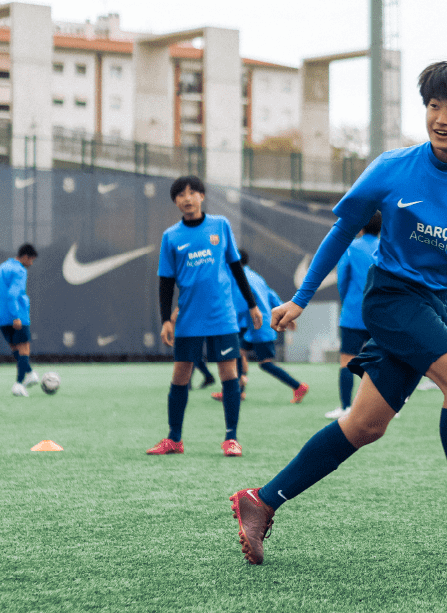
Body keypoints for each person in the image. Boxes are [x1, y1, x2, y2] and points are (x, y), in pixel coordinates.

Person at [230, 59, 447, 566]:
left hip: (434, 304)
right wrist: (301, 298)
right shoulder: (391, 167)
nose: (441, 117)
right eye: (433, 105)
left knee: (365, 425)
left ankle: (260, 501)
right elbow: (341, 232)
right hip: (391, 298)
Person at [147, 176, 262, 458]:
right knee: (181, 375)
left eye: (192, 193)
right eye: (180, 195)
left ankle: (231, 439)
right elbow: (165, 282)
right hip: (188, 318)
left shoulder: (220, 225)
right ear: (175, 201)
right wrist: (165, 320)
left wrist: (252, 305)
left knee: (229, 373)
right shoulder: (171, 236)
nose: (187, 198)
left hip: (221, 315)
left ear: (202, 196)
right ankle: (174, 439)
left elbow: (236, 268)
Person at [228, 252, 307, 403]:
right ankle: (238, 391)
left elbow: (240, 306)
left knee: (266, 364)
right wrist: (284, 314)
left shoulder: (240, 279)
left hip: (258, 326)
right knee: (238, 352)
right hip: (255, 327)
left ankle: (298, 386)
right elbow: (271, 295)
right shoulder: (255, 276)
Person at [325, 211, 381, 418]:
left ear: (361, 226)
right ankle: (386, 409)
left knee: (347, 361)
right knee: (382, 362)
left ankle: (346, 408)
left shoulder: (351, 248)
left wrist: (348, 300)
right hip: (381, 315)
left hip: (353, 312)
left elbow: (342, 281)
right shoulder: (387, 248)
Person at [0, 244, 39, 396]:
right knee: (24, 349)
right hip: (18, 316)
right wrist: (16, 317)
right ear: (25, 257)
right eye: (31, 260)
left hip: (2, 317)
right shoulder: (19, 270)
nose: (31, 264)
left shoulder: (0, 269)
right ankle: (19, 384)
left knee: (16, 350)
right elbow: (12, 295)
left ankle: (30, 373)